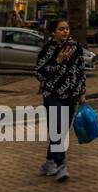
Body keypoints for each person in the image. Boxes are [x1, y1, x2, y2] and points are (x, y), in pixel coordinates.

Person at [35, 19, 88, 183]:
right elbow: (39, 74)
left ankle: (49, 162)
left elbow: (80, 71)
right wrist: (57, 62)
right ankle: (61, 165)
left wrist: (82, 92)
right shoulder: (47, 50)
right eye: (61, 29)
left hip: (71, 95)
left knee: (62, 131)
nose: (65, 31)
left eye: (67, 28)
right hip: (52, 95)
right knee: (57, 129)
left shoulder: (75, 47)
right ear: (53, 32)